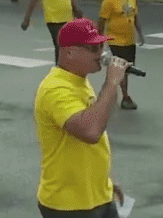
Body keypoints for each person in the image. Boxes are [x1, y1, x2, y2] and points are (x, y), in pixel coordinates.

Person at [34, 18, 128, 218]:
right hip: (69, 206)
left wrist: (105, 183)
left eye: (101, 46)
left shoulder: (79, 81)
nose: (101, 54)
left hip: (96, 197)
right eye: (93, 48)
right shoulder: (56, 89)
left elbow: (85, 149)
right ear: (69, 52)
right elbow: (91, 132)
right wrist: (112, 83)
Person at [97, 0, 144, 111]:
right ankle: (125, 97)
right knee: (121, 68)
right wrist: (100, 40)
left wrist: (140, 33)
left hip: (129, 39)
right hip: (115, 40)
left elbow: (135, 16)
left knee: (125, 70)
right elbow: (102, 20)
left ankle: (106, 93)